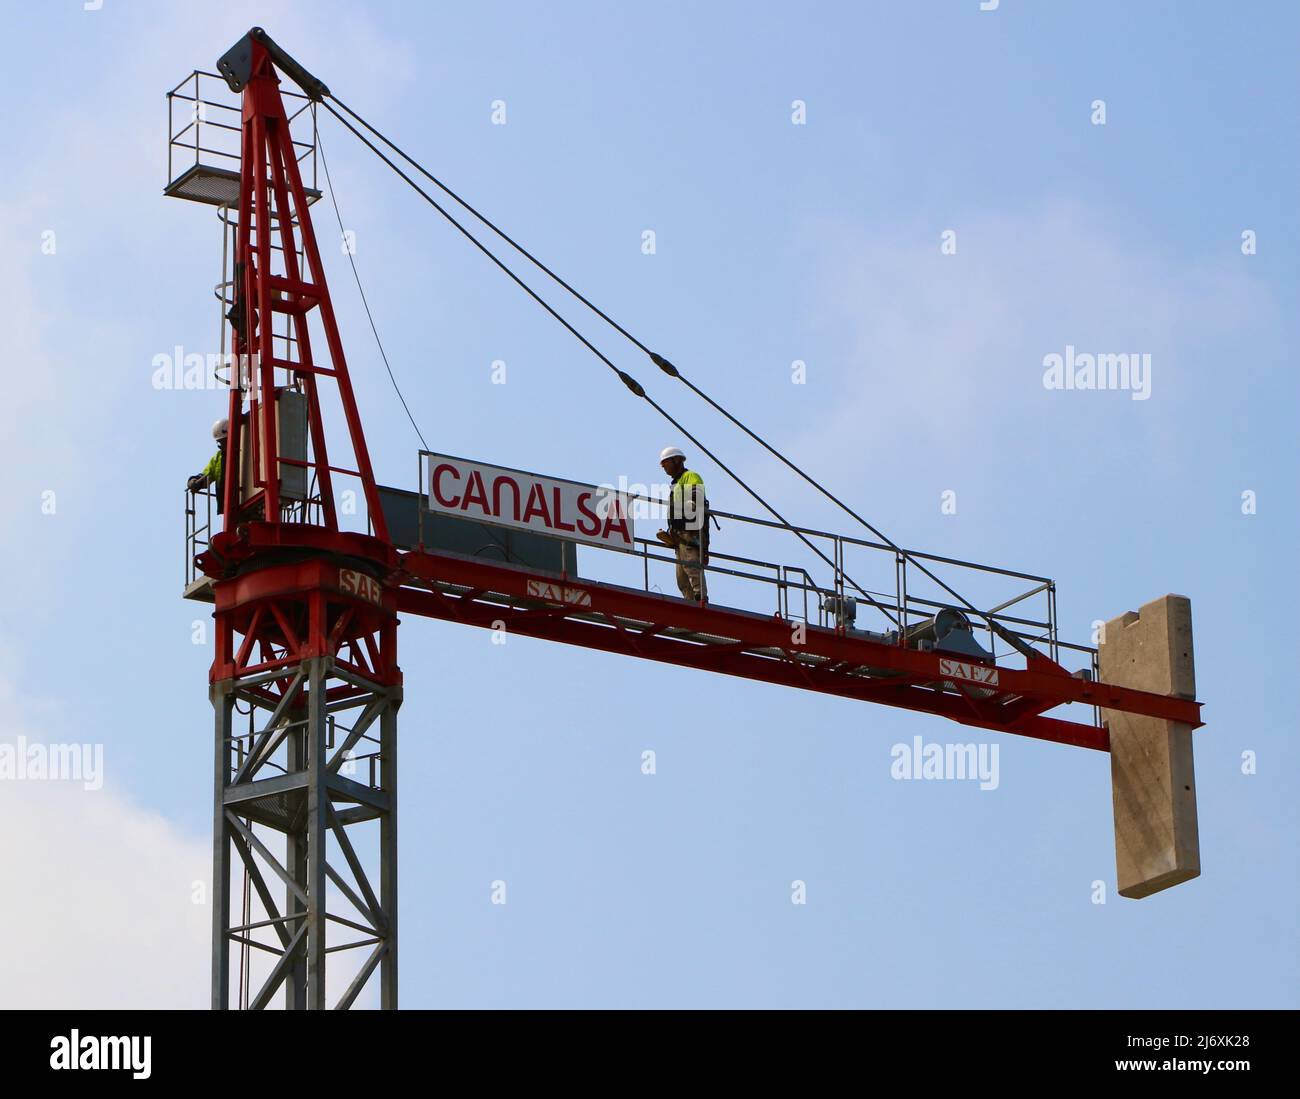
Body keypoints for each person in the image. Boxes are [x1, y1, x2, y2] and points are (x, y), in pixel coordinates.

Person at [656, 446, 709, 603]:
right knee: (682, 578)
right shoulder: (676, 484)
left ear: (677, 460)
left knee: (691, 567)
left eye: (666, 462)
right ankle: (690, 603)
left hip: (690, 533)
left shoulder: (691, 476)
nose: (664, 466)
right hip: (679, 535)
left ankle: (701, 600)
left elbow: (696, 500)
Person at [188, 418, 228, 513]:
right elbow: (206, 476)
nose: (222, 445)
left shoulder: (244, 449)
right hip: (228, 505)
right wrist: (194, 481)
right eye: (220, 442)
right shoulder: (218, 458)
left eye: (224, 441)